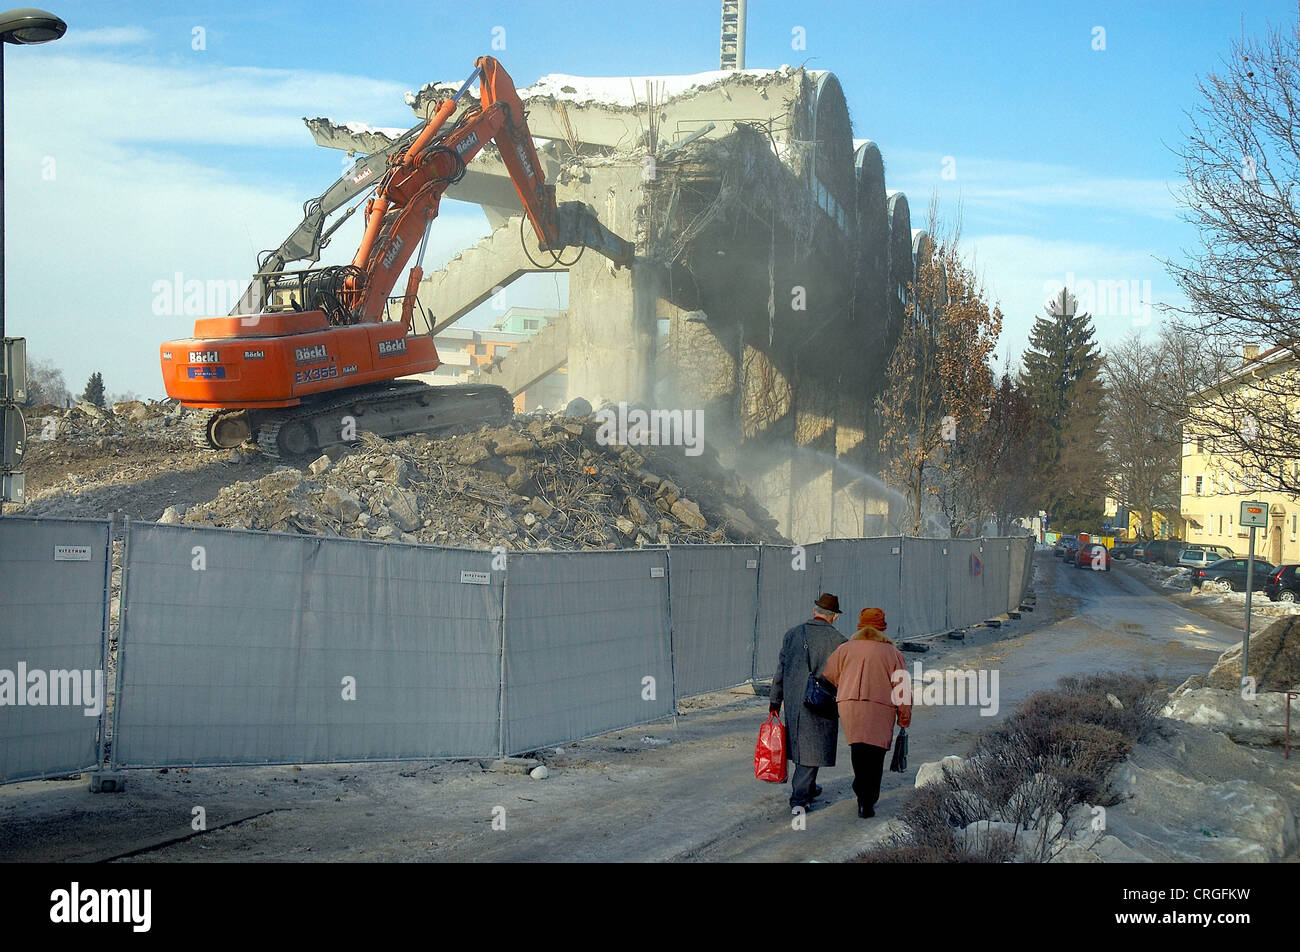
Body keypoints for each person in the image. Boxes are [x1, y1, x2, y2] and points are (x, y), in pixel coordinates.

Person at [822, 607, 911, 818]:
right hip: (881, 707)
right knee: (876, 754)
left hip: (850, 704)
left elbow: (830, 674)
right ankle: (868, 800)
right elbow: (902, 688)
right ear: (883, 627)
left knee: (859, 749)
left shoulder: (846, 649)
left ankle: (861, 792)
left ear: (860, 626)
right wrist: (904, 717)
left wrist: (846, 687)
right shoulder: (892, 653)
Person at [769, 593, 848, 814]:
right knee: (812, 747)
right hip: (822, 700)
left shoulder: (793, 634)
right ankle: (799, 798)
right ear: (834, 617)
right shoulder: (840, 641)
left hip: (794, 700)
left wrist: (775, 700)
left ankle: (809, 788)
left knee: (800, 743)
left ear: (815, 611)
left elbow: (780, 671)